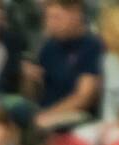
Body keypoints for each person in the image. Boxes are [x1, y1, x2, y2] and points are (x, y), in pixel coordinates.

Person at [31, 0, 102, 132]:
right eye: (48, 18)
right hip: (45, 112)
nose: (51, 23)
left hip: (79, 117)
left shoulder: (92, 47)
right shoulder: (48, 48)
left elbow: (84, 97)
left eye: (56, 17)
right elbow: (37, 92)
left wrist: (48, 115)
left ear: (75, 14)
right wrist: (28, 78)